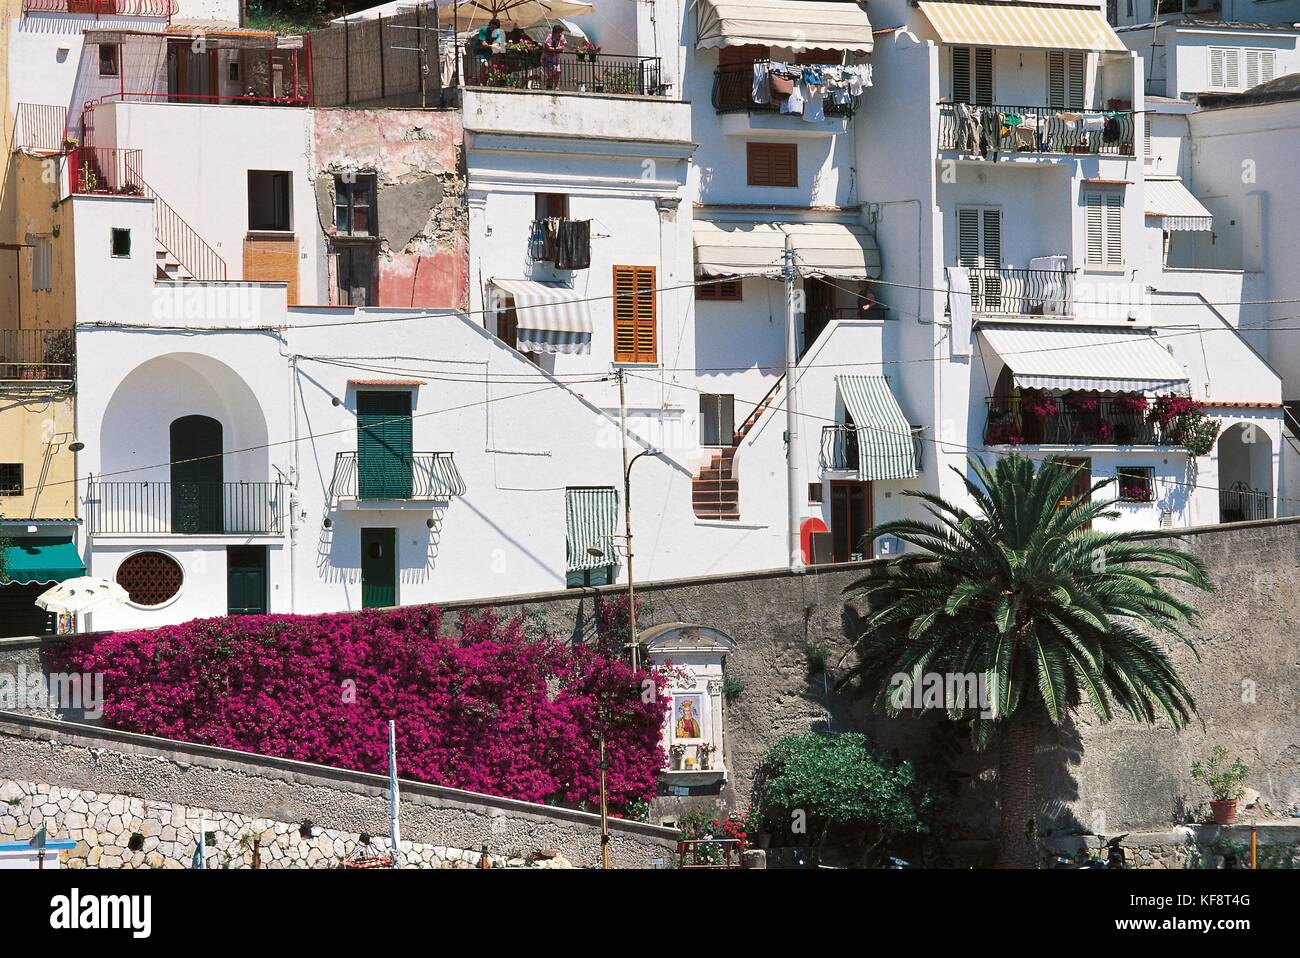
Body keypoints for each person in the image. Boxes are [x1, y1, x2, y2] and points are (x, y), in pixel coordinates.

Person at [471, 18, 504, 82]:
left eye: (494, 28)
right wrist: (493, 46)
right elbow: (483, 44)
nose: (492, 29)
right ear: (489, 25)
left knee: (494, 65)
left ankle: (487, 81)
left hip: (488, 53)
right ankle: (480, 82)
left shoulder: (498, 33)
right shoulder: (483, 29)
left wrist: (494, 46)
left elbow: (497, 44)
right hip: (479, 51)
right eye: (491, 27)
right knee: (485, 65)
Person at [541, 23, 567, 90]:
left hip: (556, 58)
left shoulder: (562, 37)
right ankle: (549, 87)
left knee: (558, 71)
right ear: (554, 32)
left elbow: (563, 47)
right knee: (551, 75)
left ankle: (556, 86)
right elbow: (547, 47)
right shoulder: (550, 37)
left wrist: (554, 49)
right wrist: (556, 49)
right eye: (559, 32)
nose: (560, 34)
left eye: (561, 32)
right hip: (548, 58)